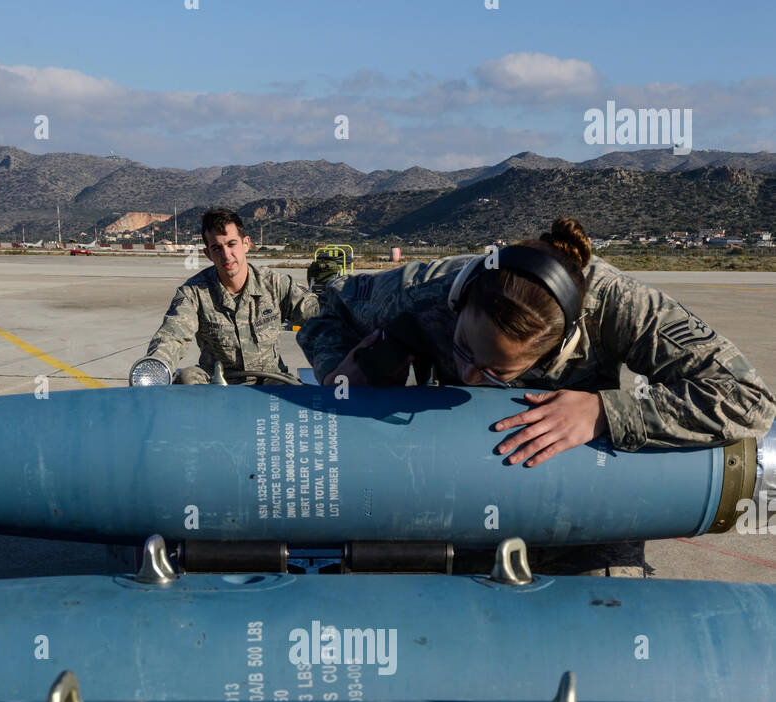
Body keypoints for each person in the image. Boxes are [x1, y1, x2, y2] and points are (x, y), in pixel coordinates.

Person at [297, 218, 776, 576]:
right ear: (462, 299)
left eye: (494, 371)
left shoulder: (616, 305)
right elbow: (326, 305)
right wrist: (338, 368)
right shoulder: (425, 289)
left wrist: (606, 411)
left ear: (560, 345)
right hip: (471, 500)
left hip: (592, 511)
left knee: (606, 637)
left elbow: (747, 399)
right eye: (462, 348)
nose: (468, 374)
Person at [140, 207, 320, 385]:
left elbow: (318, 314)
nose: (226, 255)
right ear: (208, 254)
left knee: (293, 390)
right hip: (217, 384)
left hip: (270, 381)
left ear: (246, 244)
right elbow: (172, 336)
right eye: (217, 248)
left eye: (231, 244)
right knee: (187, 377)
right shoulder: (194, 293)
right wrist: (154, 368)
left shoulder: (275, 285)